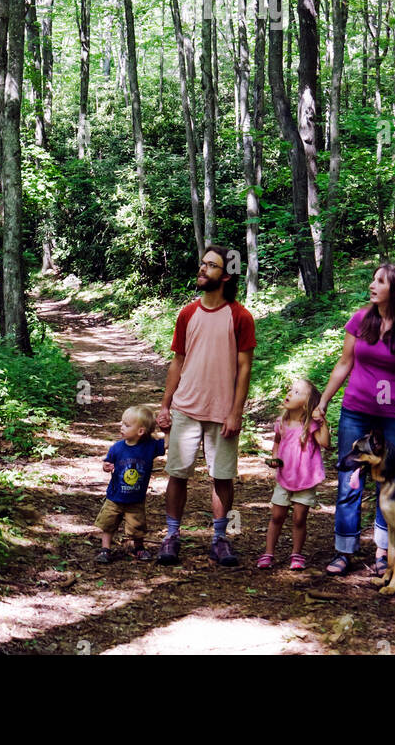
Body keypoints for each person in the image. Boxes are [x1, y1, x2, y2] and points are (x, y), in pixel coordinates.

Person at [314, 261, 395, 576]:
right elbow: (344, 363)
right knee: (349, 478)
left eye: (380, 281)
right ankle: (344, 551)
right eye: (373, 280)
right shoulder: (360, 319)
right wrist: (323, 401)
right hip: (357, 411)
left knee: (390, 484)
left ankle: (384, 552)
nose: (372, 285)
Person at [155, 243, 256, 567]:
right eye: (203, 263)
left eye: (211, 265)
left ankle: (219, 540)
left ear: (226, 276)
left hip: (221, 412)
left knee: (222, 477)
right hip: (186, 407)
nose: (202, 269)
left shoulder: (240, 316)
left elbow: (244, 368)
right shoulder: (187, 313)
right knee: (177, 474)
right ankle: (171, 536)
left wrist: (235, 412)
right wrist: (165, 405)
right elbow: (177, 361)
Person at [256, 378, 330, 571]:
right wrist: (274, 458)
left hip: (306, 479)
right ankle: (268, 553)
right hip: (285, 477)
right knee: (277, 516)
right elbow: (277, 443)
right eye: (290, 390)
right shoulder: (281, 422)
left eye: (297, 392)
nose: (290, 394)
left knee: (299, 518)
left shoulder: (311, 425)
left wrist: (321, 421)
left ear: (307, 403)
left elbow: (325, 443)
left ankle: (296, 554)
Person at [96, 403, 167, 564]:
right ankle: (105, 549)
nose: (121, 427)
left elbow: (167, 444)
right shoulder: (117, 448)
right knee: (108, 524)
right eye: (122, 423)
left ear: (140, 431)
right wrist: (106, 467)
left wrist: (167, 431)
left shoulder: (150, 447)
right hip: (114, 496)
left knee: (137, 526)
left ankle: (139, 548)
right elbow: (107, 464)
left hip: (136, 498)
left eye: (127, 425)